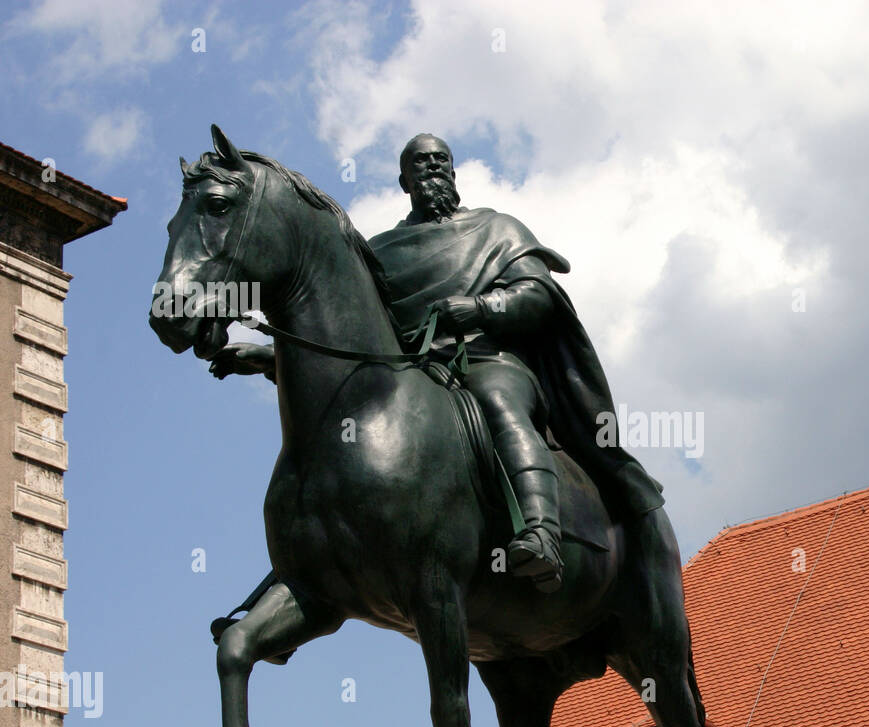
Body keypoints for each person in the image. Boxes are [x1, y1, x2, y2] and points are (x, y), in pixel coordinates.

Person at [211, 134, 663, 591]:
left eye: (440, 160)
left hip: (489, 361)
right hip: (413, 375)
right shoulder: (381, 252)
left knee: (499, 403)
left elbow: (540, 295)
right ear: (403, 180)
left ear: (453, 169)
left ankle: (541, 531)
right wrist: (273, 359)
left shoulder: (497, 229)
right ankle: (307, 572)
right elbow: (355, 341)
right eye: (421, 163)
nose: (433, 168)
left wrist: (482, 308)